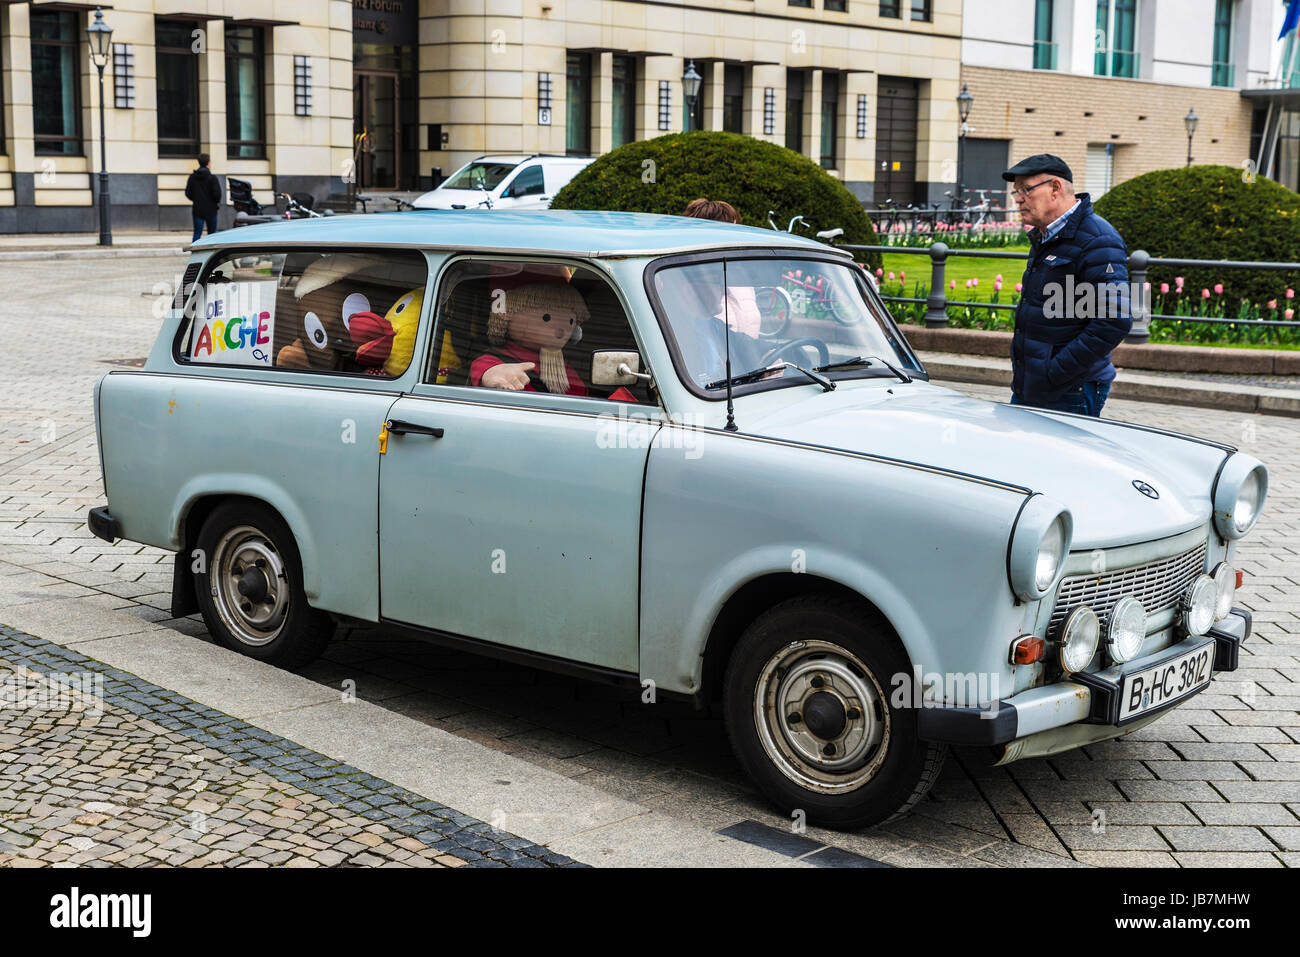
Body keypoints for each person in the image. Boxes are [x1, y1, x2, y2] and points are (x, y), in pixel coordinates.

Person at [1003, 153, 1131, 417]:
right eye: (1017, 191)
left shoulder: (1097, 239)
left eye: (1026, 189)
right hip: (1035, 384)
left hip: (1069, 389)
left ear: (1055, 188)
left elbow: (1114, 319)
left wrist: (1055, 372)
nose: (1017, 198)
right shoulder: (1047, 235)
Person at [185, 153, 222, 243]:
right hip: (211, 210)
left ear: (199, 163)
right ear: (208, 163)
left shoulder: (193, 177)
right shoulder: (213, 178)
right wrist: (214, 201)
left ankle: (194, 252)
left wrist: (196, 199)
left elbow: (188, 193)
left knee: (197, 233)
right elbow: (217, 195)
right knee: (212, 234)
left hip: (197, 209)